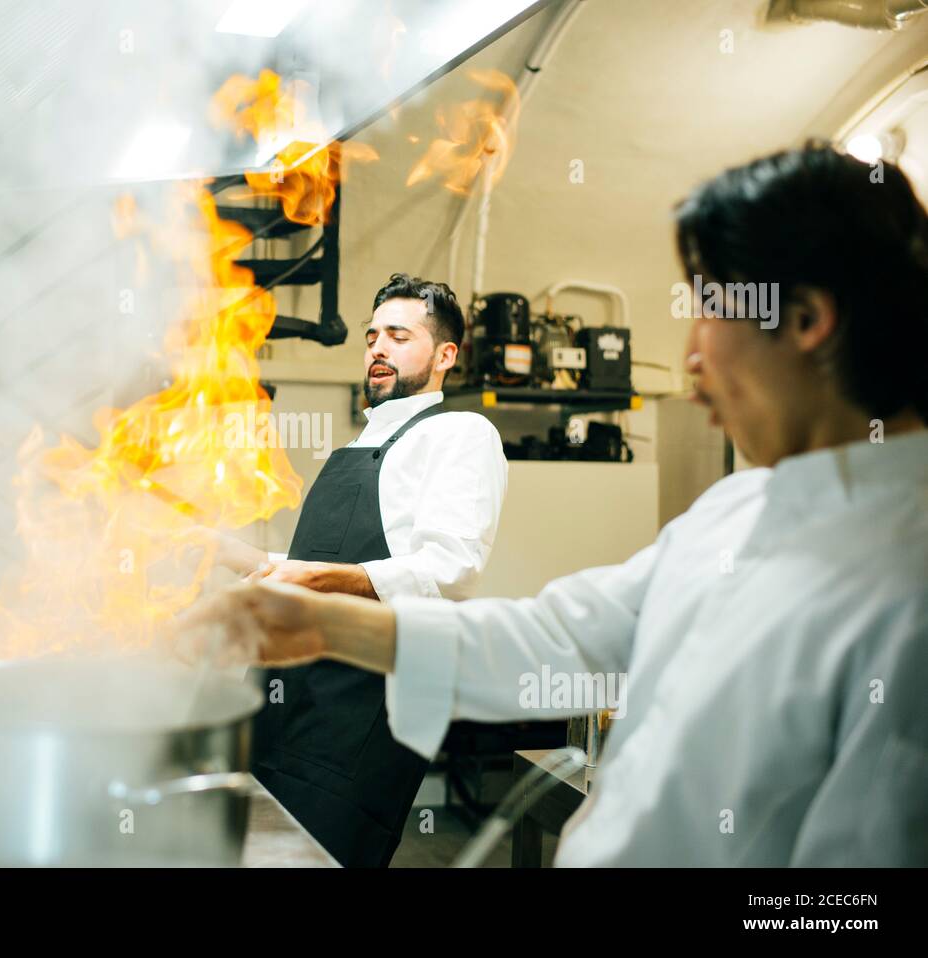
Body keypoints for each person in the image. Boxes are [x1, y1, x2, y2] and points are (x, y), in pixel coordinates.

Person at [182, 143, 928, 866]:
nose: (692, 361)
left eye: (709, 310)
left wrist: (319, 595)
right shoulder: (735, 510)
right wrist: (316, 621)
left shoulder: (905, 588)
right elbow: (553, 638)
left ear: (804, 320)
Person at [199, 274, 507, 867]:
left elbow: (451, 568)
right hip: (286, 698)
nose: (377, 348)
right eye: (371, 336)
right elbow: (328, 565)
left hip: (361, 708)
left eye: (398, 335)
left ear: (445, 355)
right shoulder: (355, 446)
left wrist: (311, 582)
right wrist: (229, 553)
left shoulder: (461, 433)